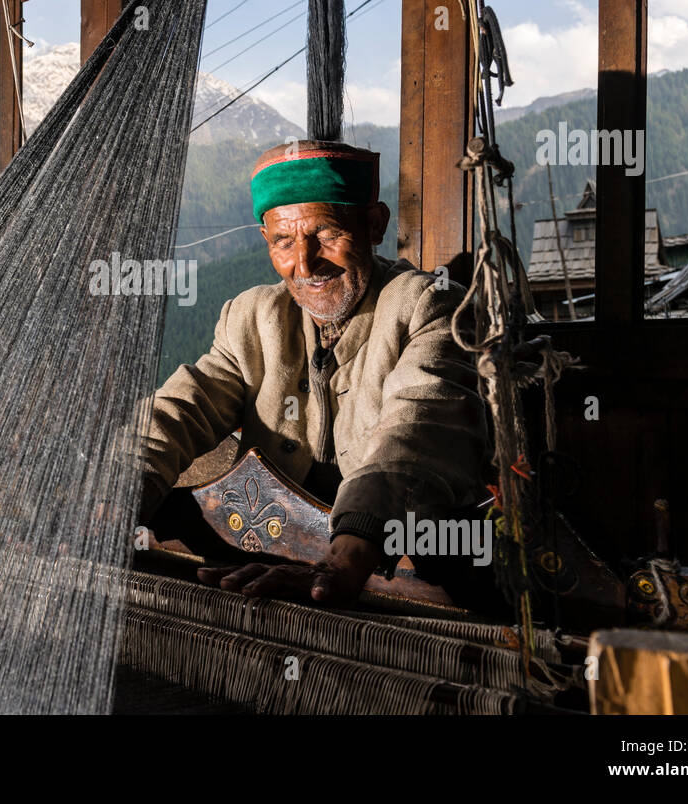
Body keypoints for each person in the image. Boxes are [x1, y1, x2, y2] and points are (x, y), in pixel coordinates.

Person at [138, 139, 494, 609]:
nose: (304, 264)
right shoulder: (253, 317)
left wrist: (340, 566)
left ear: (375, 225)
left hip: (403, 572)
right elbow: (183, 409)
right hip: (280, 558)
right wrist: (116, 491)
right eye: (284, 241)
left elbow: (418, 431)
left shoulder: (427, 307)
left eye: (326, 233)